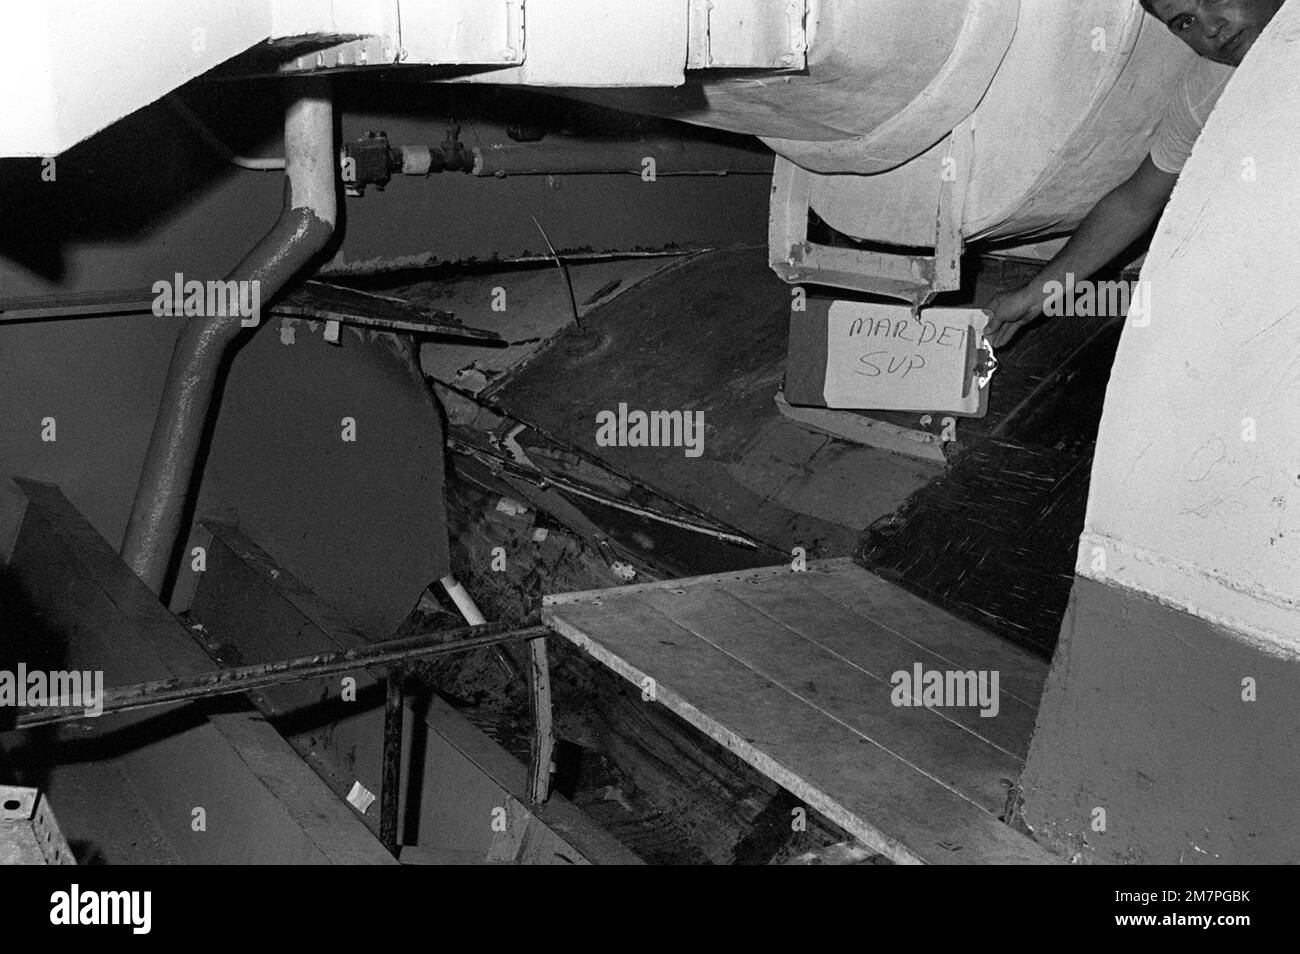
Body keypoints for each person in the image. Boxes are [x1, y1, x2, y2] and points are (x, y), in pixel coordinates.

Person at [984, 0, 1285, 348]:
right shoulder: (1207, 90)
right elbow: (1136, 202)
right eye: (1185, 22)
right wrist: (1035, 296)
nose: (1211, 28)